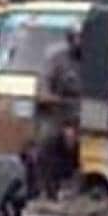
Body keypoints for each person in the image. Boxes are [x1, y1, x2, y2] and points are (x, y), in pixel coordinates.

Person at [37, 29, 83, 199]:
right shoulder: (56, 60)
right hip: (60, 112)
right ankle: (48, 189)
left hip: (89, 113)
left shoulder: (98, 59)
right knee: (47, 140)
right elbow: (44, 91)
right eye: (78, 37)